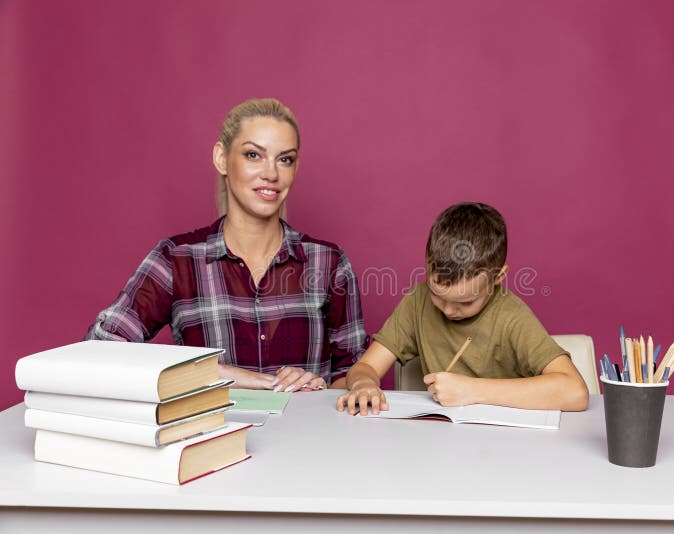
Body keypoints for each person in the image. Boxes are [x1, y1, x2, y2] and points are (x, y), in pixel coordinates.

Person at [86, 98, 367, 392]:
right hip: (210, 423)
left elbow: (356, 375)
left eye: (285, 159)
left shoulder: (328, 262)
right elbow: (98, 350)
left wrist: (318, 391)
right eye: (253, 155)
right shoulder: (177, 260)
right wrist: (219, 373)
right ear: (222, 158)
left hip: (306, 423)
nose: (271, 174)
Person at [336, 202, 588, 415]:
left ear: (498, 277)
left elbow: (575, 392)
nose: (448, 311)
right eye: (437, 295)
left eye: (466, 302)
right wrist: (363, 384)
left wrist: (472, 391)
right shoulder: (417, 301)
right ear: (426, 264)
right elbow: (366, 367)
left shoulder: (511, 316)